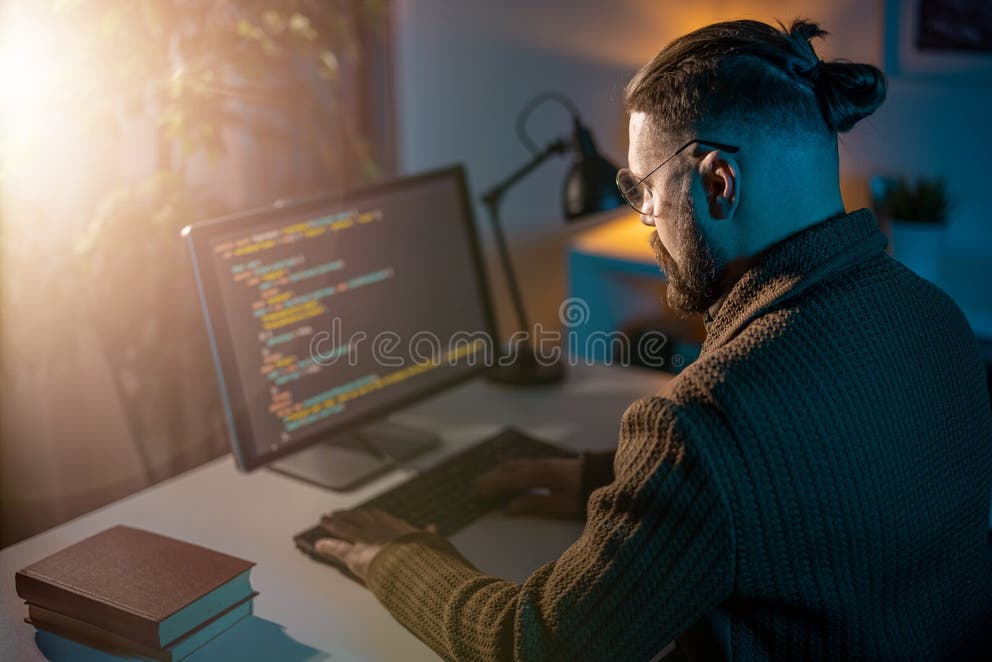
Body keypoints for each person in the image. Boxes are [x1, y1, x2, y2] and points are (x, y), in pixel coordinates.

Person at [316, 19, 992, 660]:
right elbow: (812, 483)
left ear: (717, 182)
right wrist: (599, 476)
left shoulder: (710, 422)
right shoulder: (935, 318)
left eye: (645, 189)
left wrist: (395, 556)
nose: (645, 219)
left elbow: (534, 647)